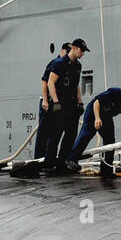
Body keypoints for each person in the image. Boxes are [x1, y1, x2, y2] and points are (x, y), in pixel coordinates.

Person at [67, 84, 121, 180]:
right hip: (94, 111)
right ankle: (71, 160)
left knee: (110, 141)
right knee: (87, 134)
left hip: (106, 116)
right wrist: (97, 118)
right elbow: (97, 102)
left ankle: (106, 170)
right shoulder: (115, 92)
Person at [41, 39, 87, 172]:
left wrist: (80, 102)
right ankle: (49, 163)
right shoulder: (59, 63)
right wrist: (55, 102)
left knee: (71, 134)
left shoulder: (78, 66)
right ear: (74, 48)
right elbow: (50, 83)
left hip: (72, 105)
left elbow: (76, 85)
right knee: (55, 134)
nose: (83, 54)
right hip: (60, 104)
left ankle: (61, 162)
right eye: (82, 51)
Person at [34, 40, 72, 160]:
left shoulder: (68, 64)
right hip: (48, 102)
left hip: (57, 102)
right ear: (62, 51)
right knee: (43, 133)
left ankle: (49, 159)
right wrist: (45, 100)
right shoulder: (55, 63)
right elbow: (45, 81)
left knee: (55, 132)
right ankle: (39, 159)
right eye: (67, 51)